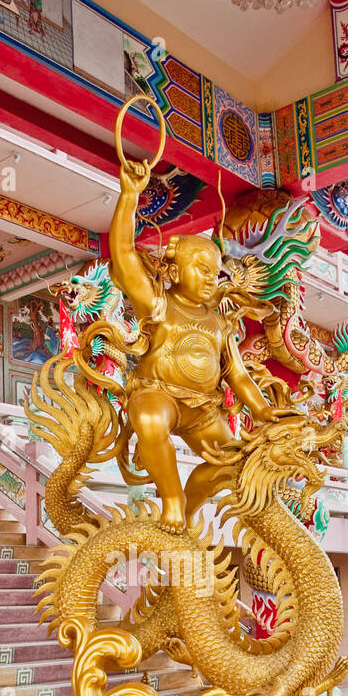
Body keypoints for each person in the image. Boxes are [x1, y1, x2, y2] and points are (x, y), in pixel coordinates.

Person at [109, 157, 275, 532]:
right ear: (174, 269)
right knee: (150, 419)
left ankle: (187, 511)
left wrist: (263, 412)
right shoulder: (158, 302)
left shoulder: (218, 321)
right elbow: (122, 255)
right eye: (199, 268)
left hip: (204, 411)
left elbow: (238, 375)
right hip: (158, 395)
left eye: (214, 271)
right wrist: (129, 196)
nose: (209, 278)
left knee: (232, 462)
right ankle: (170, 499)